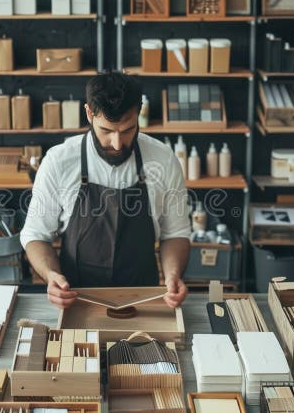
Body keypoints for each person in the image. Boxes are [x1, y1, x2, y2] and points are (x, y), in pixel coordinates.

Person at [20, 71, 191, 309]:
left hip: (142, 300)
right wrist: (51, 276)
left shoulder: (162, 159)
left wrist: (173, 275)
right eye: (107, 131)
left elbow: (175, 233)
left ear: (139, 112)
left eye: (128, 130)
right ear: (89, 113)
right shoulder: (59, 161)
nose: (118, 144)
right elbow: (36, 236)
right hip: (77, 301)